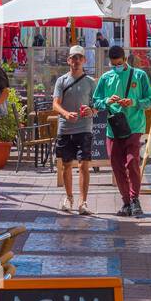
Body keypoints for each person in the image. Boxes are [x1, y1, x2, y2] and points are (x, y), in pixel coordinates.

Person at [92, 44, 151, 218]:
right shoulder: (106, 78)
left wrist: (133, 102)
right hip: (113, 128)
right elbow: (95, 101)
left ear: (125, 60)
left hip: (134, 125)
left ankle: (135, 200)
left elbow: (149, 100)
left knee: (132, 162)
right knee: (116, 165)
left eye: (119, 63)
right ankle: (126, 202)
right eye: (113, 64)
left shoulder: (139, 75)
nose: (116, 67)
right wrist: (106, 101)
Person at [51, 47, 97, 214]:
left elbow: (97, 105)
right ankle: (69, 197)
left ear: (84, 60)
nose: (76, 61)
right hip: (65, 129)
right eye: (73, 58)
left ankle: (83, 202)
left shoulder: (91, 82)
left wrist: (92, 111)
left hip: (84, 128)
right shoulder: (61, 81)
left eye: (80, 58)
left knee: (84, 164)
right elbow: (55, 104)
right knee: (66, 165)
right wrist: (65, 113)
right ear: (68, 60)